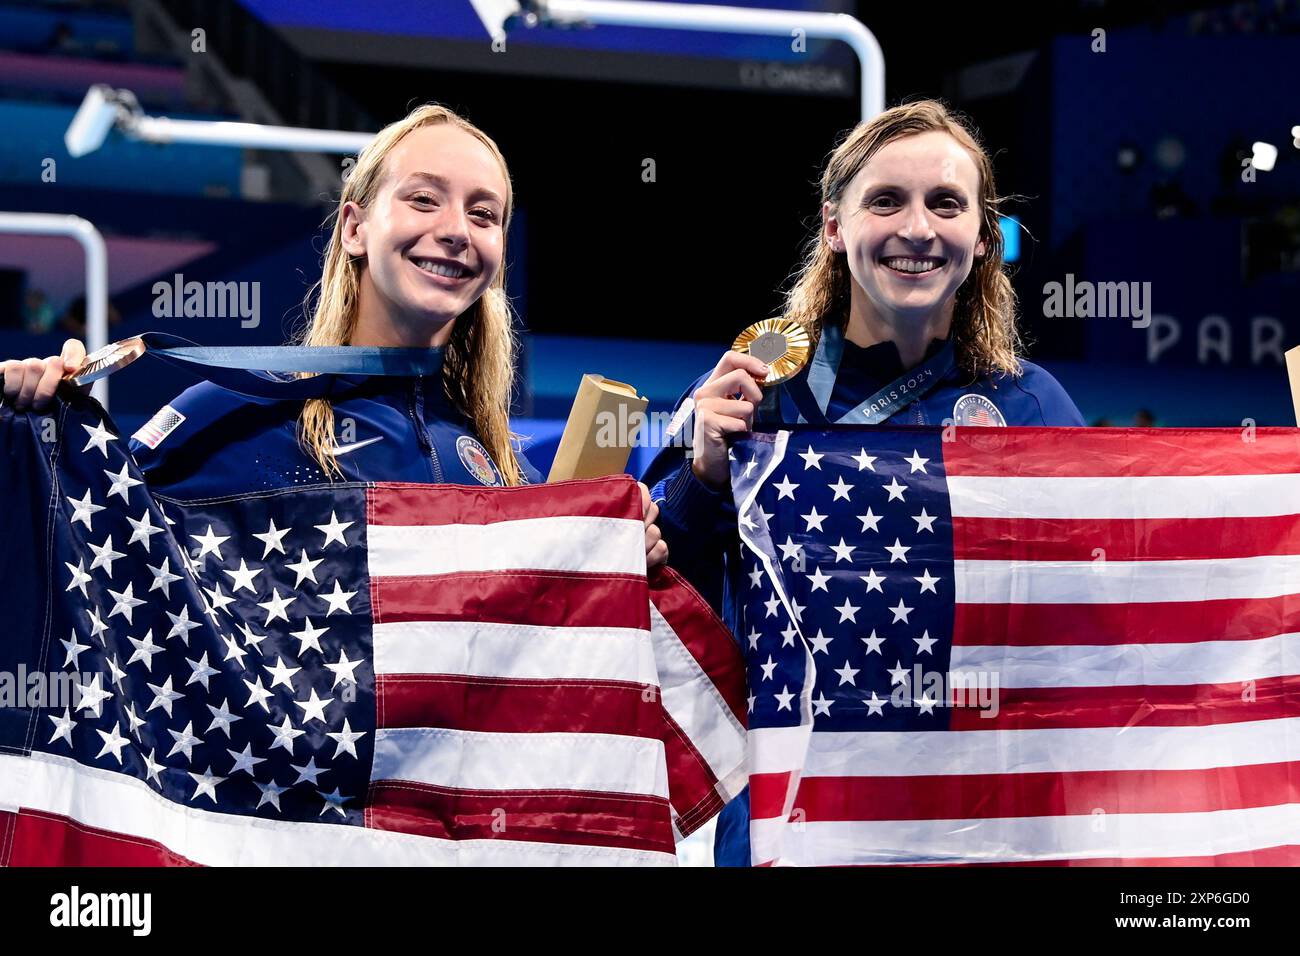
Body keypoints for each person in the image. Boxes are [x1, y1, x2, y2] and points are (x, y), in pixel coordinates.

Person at [641, 99, 1086, 866]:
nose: (917, 228)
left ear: (983, 237)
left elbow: (1100, 604)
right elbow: (654, 609)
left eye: (946, 203)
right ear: (834, 228)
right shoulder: (750, 394)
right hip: (795, 822)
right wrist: (702, 479)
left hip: (977, 819)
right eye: (885, 201)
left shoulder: (1031, 406)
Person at [2, 103, 667, 565]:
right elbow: (77, 546)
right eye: (423, 199)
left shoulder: (511, 478)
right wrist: (23, 431)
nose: (456, 230)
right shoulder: (233, 416)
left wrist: (641, 540)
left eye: (483, 213)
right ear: (355, 228)